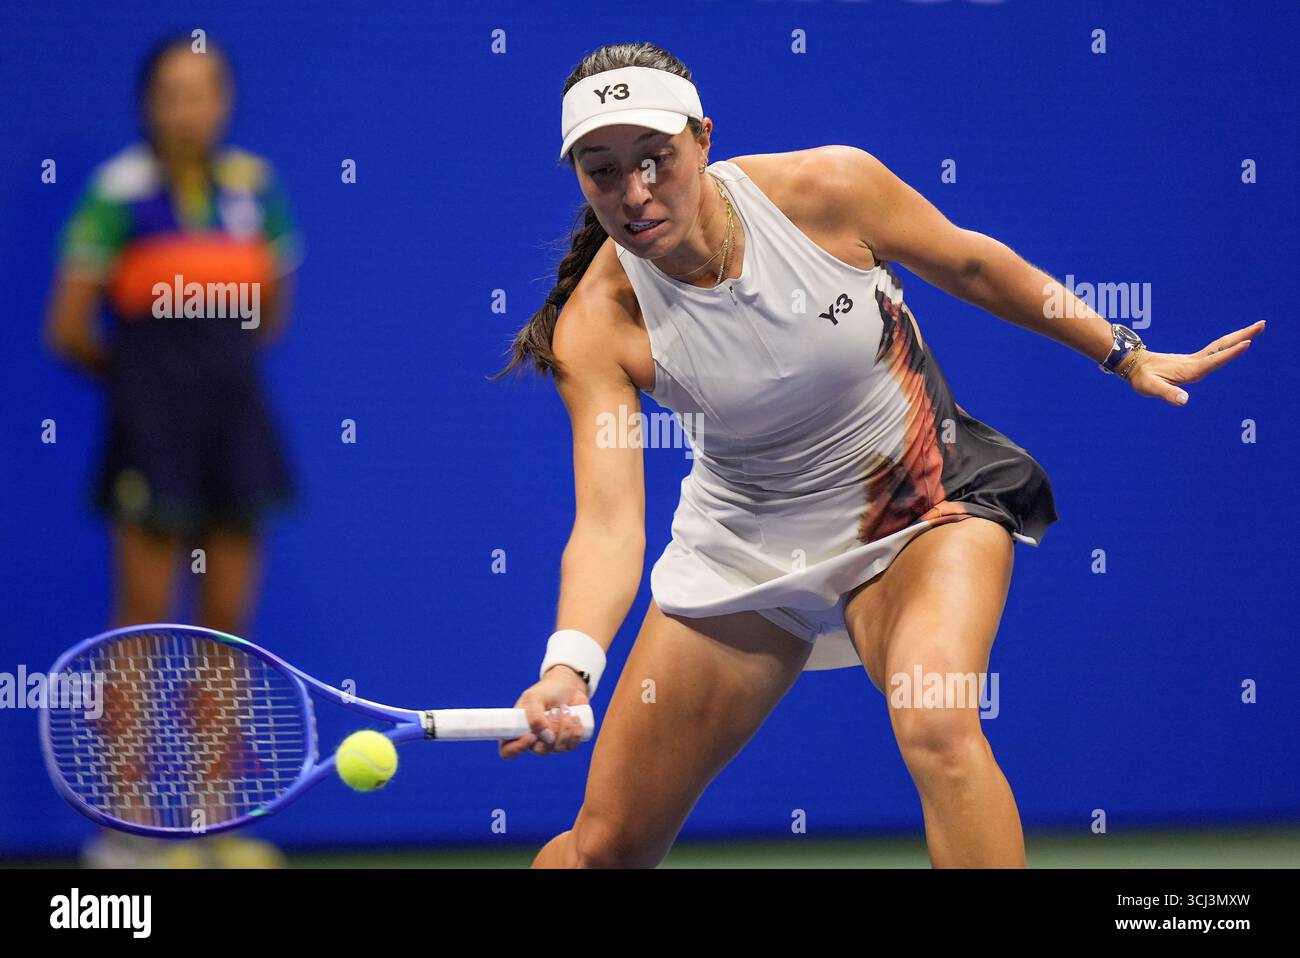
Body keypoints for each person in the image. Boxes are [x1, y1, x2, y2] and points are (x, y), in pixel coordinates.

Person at [490, 42, 1262, 868]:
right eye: (603, 171)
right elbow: (609, 526)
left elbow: (971, 262)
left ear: (703, 138)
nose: (636, 193)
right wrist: (570, 667)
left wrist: (1123, 352)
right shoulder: (599, 326)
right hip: (744, 549)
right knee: (602, 850)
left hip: (924, 501)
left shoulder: (828, 190)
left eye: (657, 159)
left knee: (936, 722)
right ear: (578, 178)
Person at [44, 36, 301, 868]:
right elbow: (69, 328)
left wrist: (207, 378)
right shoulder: (116, 195)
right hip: (149, 437)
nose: (188, 108)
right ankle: (128, 830)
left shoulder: (255, 191)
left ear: (223, 101)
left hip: (235, 427)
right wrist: (147, 390)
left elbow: (271, 315)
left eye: (203, 91)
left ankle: (215, 822)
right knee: (142, 630)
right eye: (172, 93)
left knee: (227, 629)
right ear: (149, 104)